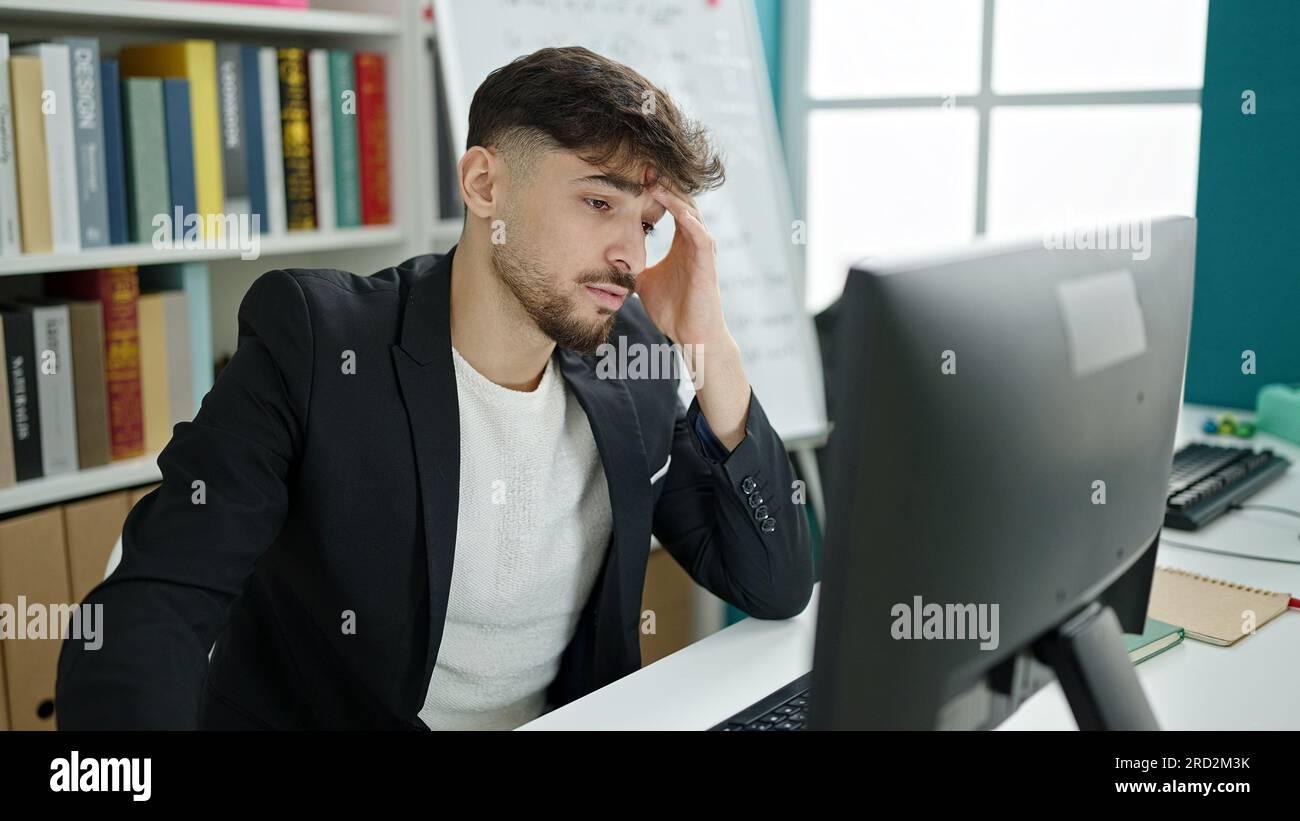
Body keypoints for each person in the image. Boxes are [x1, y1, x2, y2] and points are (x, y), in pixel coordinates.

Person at [55, 45, 813, 730]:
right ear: (485, 184)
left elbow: (773, 582)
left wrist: (711, 347)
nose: (627, 253)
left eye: (647, 223)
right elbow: (153, 605)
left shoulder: (630, 362)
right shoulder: (320, 342)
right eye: (598, 201)